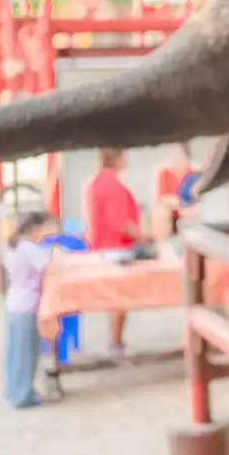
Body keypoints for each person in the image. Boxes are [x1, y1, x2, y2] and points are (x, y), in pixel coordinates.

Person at [85, 148, 143, 358]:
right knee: (120, 298)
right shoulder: (113, 185)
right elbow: (120, 222)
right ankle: (116, 342)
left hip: (100, 247)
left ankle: (117, 341)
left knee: (117, 299)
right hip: (115, 249)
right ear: (116, 158)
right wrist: (144, 236)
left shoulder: (96, 182)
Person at [3, 211, 59, 408]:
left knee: (15, 352)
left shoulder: (15, 245)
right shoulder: (30, 248)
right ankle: (22, 395)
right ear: (36, 229)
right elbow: (51, 267)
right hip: (27, 304)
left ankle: (14, 390)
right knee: (25, 354)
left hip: (15, 303)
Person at [151, 142, 195, 242]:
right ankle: (161, 249)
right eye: (172, 153)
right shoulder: (164, 173)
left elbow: (195, 198)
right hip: (171, 211)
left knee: (190, 213)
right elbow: (162, 199)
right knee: (161, 213)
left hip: (187, 210)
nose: (175, 157)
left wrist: (181, 204)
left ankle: (189, 249)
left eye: (178, 153)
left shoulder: (193, 173)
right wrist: (180, 203)